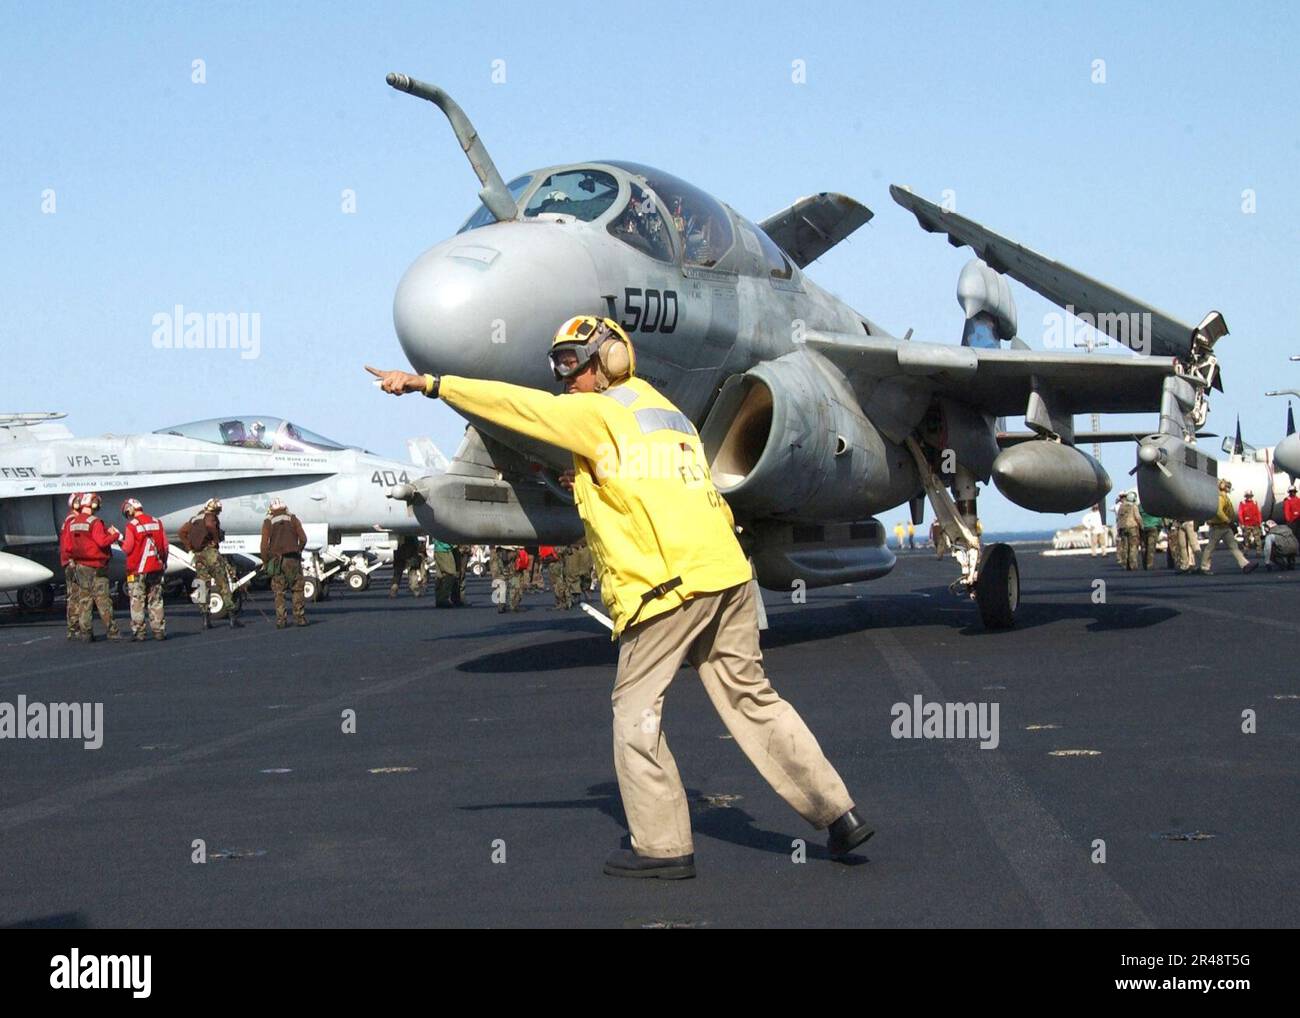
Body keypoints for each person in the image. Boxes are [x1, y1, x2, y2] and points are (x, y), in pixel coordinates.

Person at [366, 314, 871, 878]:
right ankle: (838, 815)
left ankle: (663, 848)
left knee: (635, 713)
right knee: (752, 700)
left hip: (668, 588)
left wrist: (432, 385)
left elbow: (519, 408)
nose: (565, 378)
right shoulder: (665, 413)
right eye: (557, 365)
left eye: (571, 363)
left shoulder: (598, 410)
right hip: (726, 576)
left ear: (608, 358)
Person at [66, 492, 121, 641]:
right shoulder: (94, 522)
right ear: (94, 504)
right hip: (97, 566)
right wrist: (115, 535)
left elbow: (68, 546)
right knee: (103, 600)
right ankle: (112, 631)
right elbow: (102, 542)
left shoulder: (73, 522)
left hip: (80, 566)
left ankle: (86, 633)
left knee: (85, 600)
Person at [181, 498, 240, 628]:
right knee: (222, 583)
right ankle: (232, 618)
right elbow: (209, 526)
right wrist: (216, 539)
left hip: (198, 556)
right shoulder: (210, 517)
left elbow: (182, 532)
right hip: (211, 554)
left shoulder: (194, 519)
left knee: (202, 586)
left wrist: (189, 547)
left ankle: (205, 619)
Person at [120, 497, 169, 641]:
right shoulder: (156, 522)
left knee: (137, 600)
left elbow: (127, 548)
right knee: (156, 600)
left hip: (137, 569)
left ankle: (139, 632)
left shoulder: (132, 526)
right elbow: (165, 546)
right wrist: (163, 563)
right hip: (155, 567)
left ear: (129, 509)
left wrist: (118, 540)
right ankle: (158, 630)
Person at [260, 497, 308, 628]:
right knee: (297, 588)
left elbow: (264, 546)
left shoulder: (268, 521)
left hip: (276, 561)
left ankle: (281, 620)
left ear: (270, 509)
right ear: (285, 508)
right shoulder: (292, 518)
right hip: (293, 559)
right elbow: (303, 538)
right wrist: (298, 550)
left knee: (279, 592)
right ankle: (300, 618)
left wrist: (265, 561)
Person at [1198, 480, 1257, 575]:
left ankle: (1245, 564)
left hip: (1225, 526)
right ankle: (1204, 567)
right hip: (1218, 526)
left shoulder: (1224, 497)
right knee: (1210, 547)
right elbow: (1219, 512)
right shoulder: (1221, 498)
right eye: (1228, 486)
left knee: (1234, 546)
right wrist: (1228, 521)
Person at [59, 492, 85, 640]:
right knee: (76, 596)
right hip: (73, 562)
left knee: (76, 596)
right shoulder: (73, 520)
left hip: (71, 561)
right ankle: (74, 628)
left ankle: (75, 627)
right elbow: (69, 543)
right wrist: (73, 560)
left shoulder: (71, 519)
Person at [1115, 492, 1142, 570]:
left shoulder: (1121, 506)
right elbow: (1138, 517)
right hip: (1132, 528)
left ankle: (1125, 564)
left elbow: (1118, 518)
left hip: (1122, 528)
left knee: (1125, 546)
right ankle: (1133, 565)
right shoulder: (1134, 506)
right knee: (1133, 546)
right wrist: (1141, 526)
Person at [432, 539, 458, 607]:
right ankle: (444, 598)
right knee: (450, 574)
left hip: (438, 548)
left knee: (440, 575)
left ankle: (439, 598)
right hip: (445, 549)